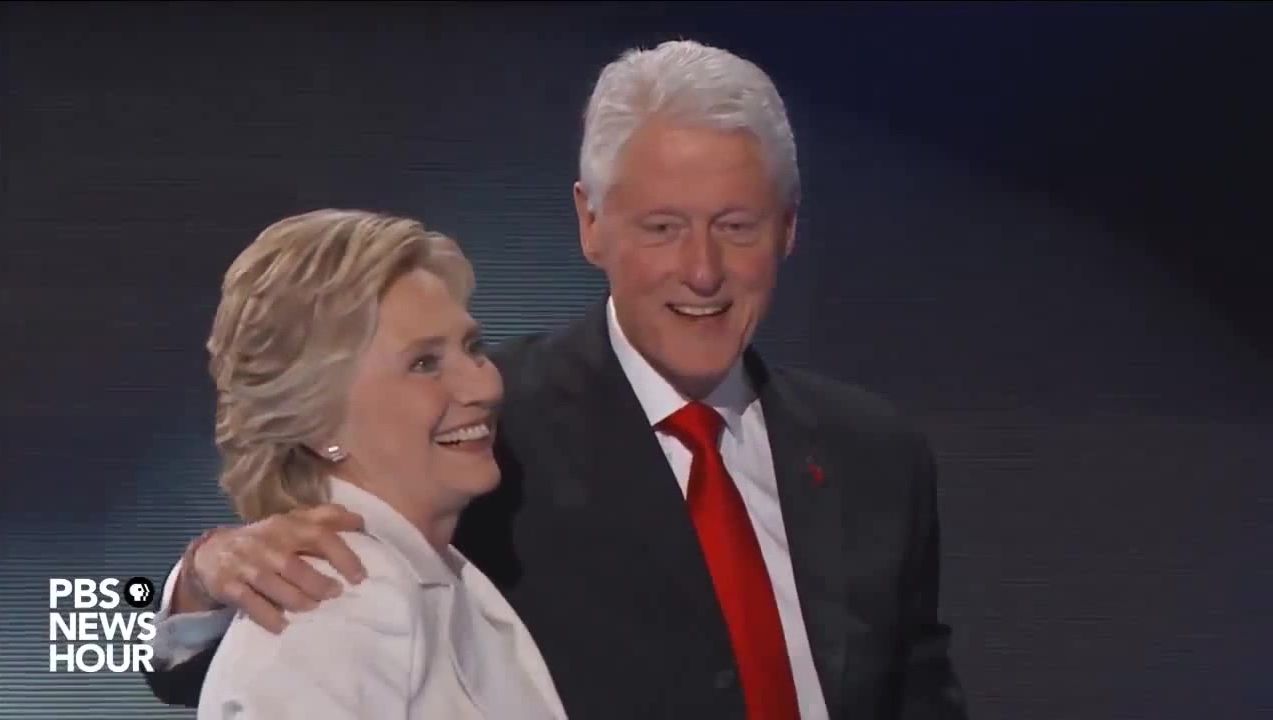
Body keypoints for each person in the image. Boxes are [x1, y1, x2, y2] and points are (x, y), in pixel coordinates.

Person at [143, 40, 967, 719]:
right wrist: (201, 577)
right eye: (663, 227)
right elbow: (253, 655)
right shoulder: (480, 433)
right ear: (589, 223)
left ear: (787, 229)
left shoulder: (875, 455)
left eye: (736, 226)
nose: (703, 269)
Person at [182, 208, 567, 719]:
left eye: (472, 348)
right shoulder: (342, 594)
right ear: (318, 420)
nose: (485, 385)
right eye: (424, 363)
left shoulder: (439, 577)